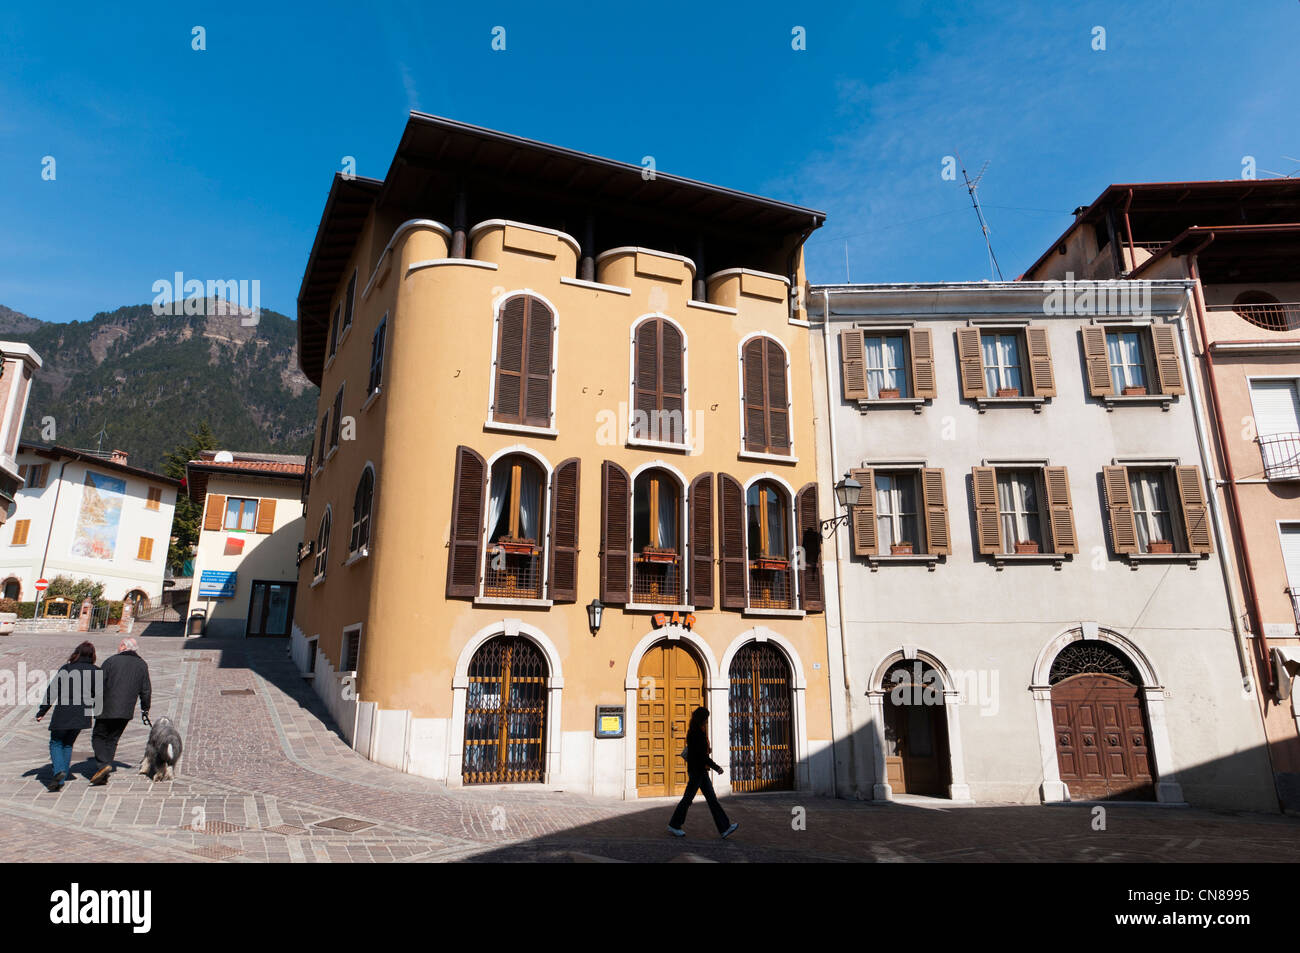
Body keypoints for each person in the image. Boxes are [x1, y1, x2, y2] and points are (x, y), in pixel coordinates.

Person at [35, 642, 99, 792]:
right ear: (92, 655)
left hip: (63, 712)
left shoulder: (67, 668)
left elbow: (53, 690)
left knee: (56, 742)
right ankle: (61, 777)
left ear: (77, 653)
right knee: (68, 744)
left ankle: (59, 773)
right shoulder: (96, 671)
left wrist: (42, 711)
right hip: (82, 714)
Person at [667, 706, 739, 839]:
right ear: (702, 719)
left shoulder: (694, 731)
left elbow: (699, 753)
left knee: (711, 800)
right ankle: (674, 824)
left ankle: (725, 828)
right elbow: (702, 757)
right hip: (698, 772)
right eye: (706, 719)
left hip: (699, 771)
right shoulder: (697, 734)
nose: (707, 721)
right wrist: (717, 767)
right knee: (690, 799)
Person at [91, 637, 151, 785]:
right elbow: (146, 690)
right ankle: (104, 771)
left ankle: (103, 765)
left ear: (124, 646)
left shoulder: (111, 661)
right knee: (112, 739)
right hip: (126, 710)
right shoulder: (142, 665)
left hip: (106, 707)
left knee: (98, 737)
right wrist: (145, 707)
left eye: (119, 645)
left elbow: (98, 683)